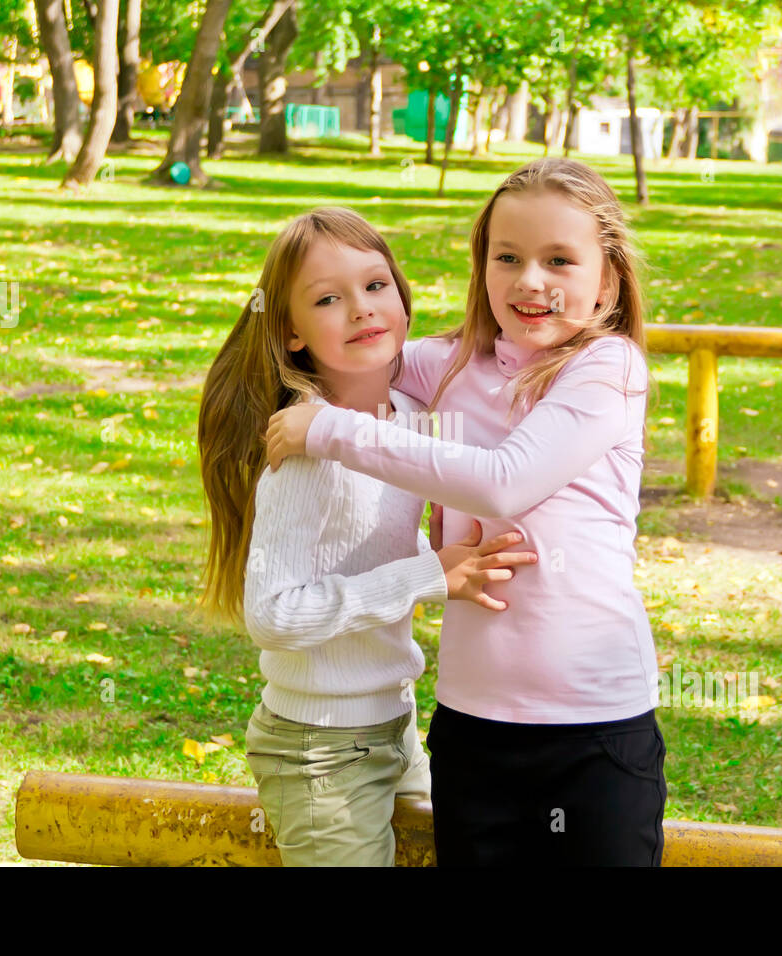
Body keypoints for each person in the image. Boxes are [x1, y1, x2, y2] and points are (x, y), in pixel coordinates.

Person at [265, 158, 665, 866]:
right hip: (472, 727)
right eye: (505, 256)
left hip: (594, 726)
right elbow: (357, 356)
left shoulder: (608, 369)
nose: (528, 280)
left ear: (606, 279)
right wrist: (304, 368)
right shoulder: (448, 362)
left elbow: (505, 482)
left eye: (559, 261)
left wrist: (326, 430)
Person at [197, 205, 537, 865]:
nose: (361, 309)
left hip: (395, 728)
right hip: (316, 750)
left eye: (376, 286)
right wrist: (430, 574)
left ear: (405, 303)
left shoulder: (412, 418)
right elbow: (271, 616)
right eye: (329, 298)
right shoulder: (304, 451)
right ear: (292, 333)